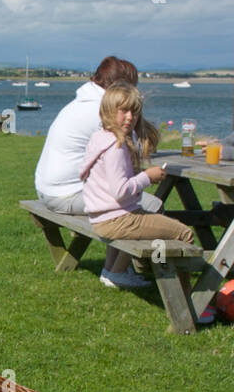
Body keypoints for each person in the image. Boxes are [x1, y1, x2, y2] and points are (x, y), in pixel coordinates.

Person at [79, 84, 213, 321]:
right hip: (118, 218)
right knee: (183, 234)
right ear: (109, 112)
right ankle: (189, 303)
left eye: (134, 112)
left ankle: (156, 270)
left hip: (104, 217)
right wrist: (147, 177)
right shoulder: (116, 146)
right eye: (124, 111)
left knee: (160, 229)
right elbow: (120, 190)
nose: (130, 117)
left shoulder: (101, 137)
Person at [34, 55, 142, 284]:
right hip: (65, 194)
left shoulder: (82, 103)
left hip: (49, 189)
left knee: (119, 194)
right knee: (132, 203)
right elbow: (132, 153)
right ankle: (118, 271)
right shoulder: (102, 112)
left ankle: (119, 268)